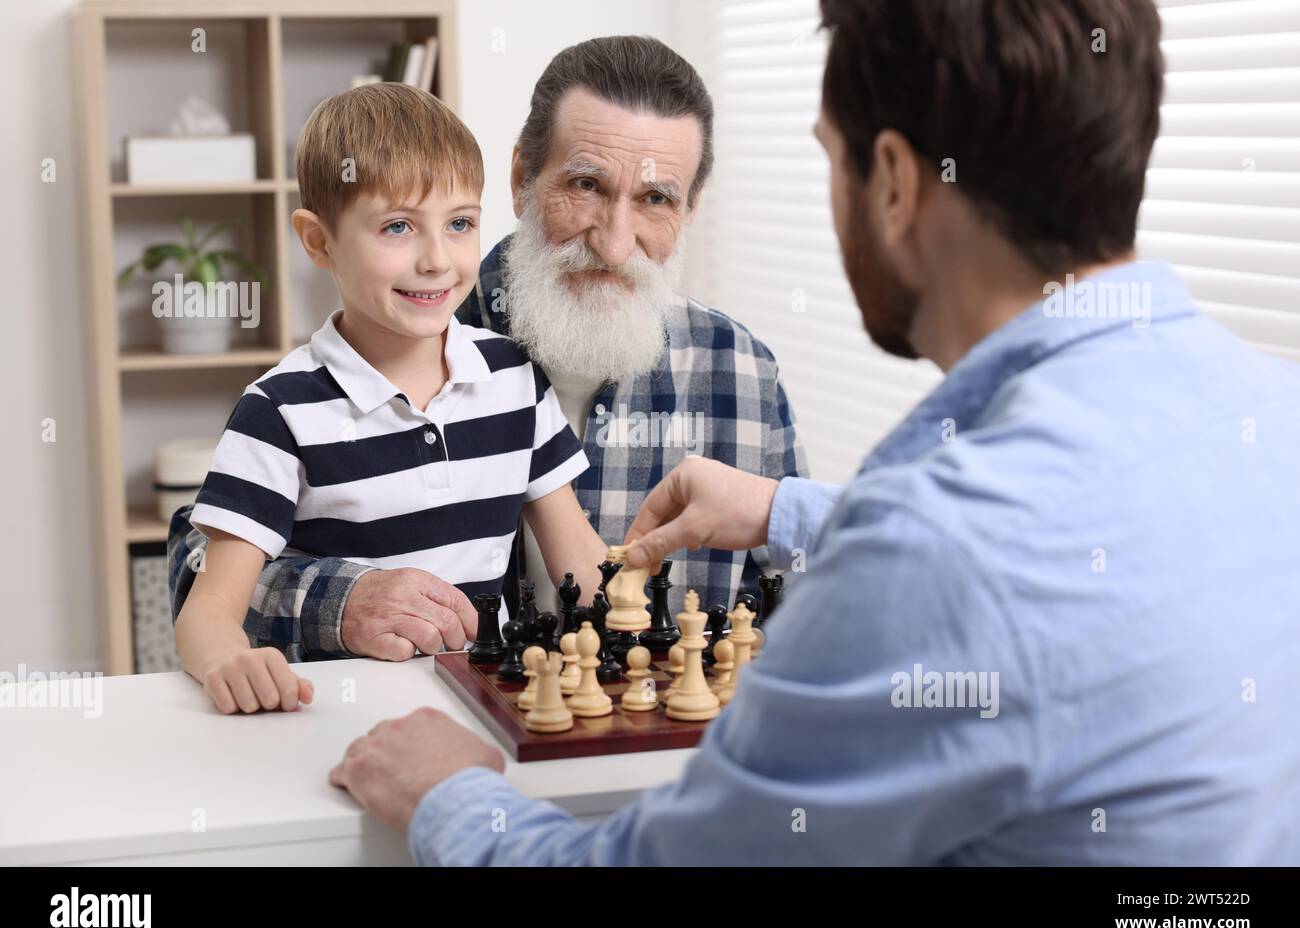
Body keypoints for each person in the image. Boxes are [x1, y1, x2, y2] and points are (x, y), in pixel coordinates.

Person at [329, 0, 1300, 865]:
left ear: (892, 181)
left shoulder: (931, 542)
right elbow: (1063, 548)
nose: (617, 236)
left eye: (830, 156)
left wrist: (453, 800)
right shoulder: (1271, 412)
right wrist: (797, 510)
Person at [167, 35, 808, 663]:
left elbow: (815, 603)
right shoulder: (409, 327)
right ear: (522, 178)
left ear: (691, 208)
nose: (614, 243)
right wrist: (341, 599)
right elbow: (195, 566)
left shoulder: (742, 373)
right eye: (585, 185)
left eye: (656, 198)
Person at [174, 83, 606, 713]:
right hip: (343, 718)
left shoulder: (514, 377)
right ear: (318, 241)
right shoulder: (279, 411)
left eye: (459, 224)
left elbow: (582, 565)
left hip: (494, 709)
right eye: (398, 226)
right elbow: (206, 612)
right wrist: (231, 661)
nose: (437, 260)